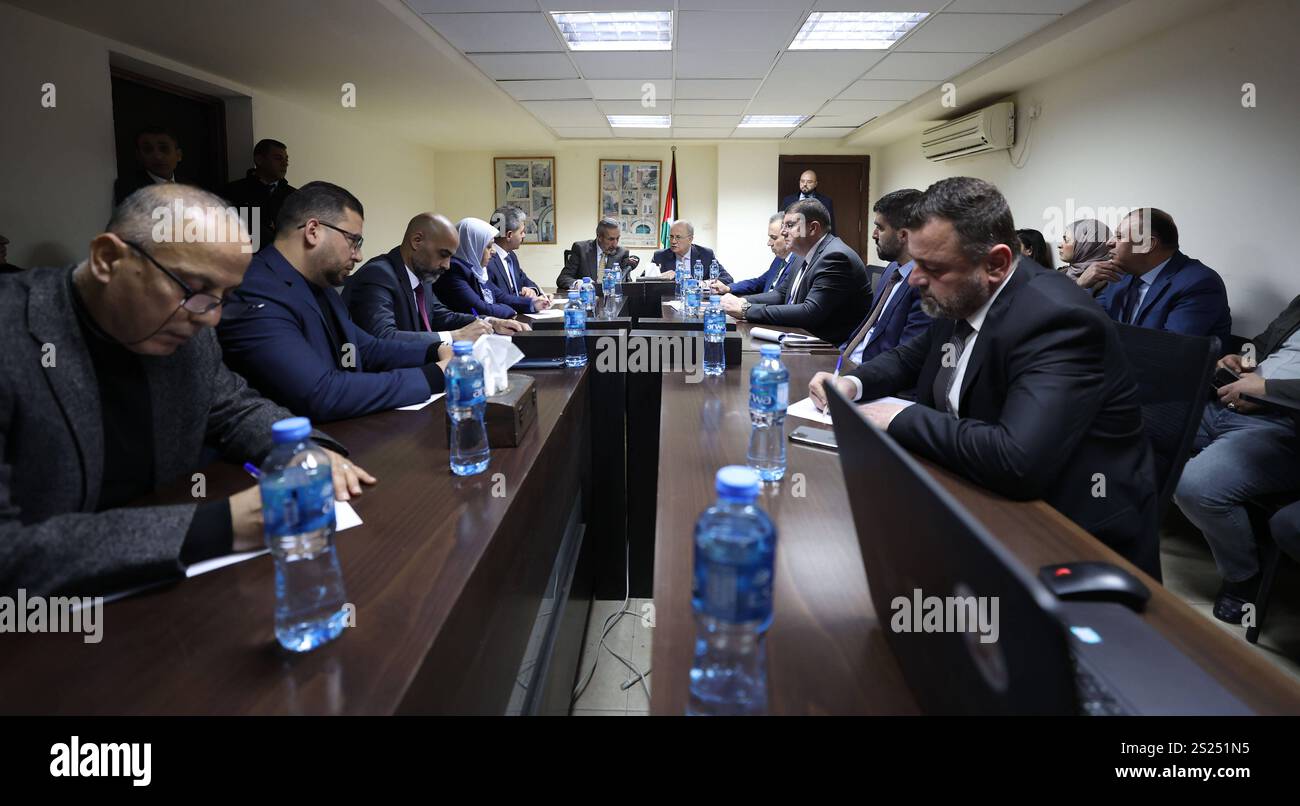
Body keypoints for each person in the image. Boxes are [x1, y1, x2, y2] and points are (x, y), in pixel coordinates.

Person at [0, 184, 373, 598]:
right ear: (108, 259)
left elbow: (234, 407)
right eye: (195, 289)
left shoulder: (190, 325)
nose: (211, 318)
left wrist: (304, 449)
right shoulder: (12, 332)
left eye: (225, 298)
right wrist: (223, 524)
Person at [809, 177, 1160, 577]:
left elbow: (1016, 459)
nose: (914, 278)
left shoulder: (1059, 320)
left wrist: (893, 417)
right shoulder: (965, 287)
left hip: (1066, 540)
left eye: (931, 267)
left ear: (995, 264)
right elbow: (911, 357)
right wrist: (853, 385)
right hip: (972, 494)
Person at [218, 181, 451, 423]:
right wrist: (433, 376)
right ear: (313, 231)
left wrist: (433, 351)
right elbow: (320, 392)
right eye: (354, 241)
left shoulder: (322, 285)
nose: (359, 255)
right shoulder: (254, 289)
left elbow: (365, 348)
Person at [1174, 293, 1300, 622]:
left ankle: (1243, 575)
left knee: (1195, 487)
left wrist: (1268, 391)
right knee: (1136, 424)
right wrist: (1238, 359)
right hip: (1231, 400)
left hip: (1284, 426)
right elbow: (1261, 344)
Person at [343, 213, 526, 345]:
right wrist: (454, 336)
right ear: (417, 241)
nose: (447, 265)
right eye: (443, 254)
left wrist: (490, 322)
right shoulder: (378, 276)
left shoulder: (423, 274)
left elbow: (441, 316)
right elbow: (383, 337)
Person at [719, 198, 870, 346]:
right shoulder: (800, 255)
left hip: (828, 348)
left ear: (813, 228)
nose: (783, 232)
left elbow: (809, 312)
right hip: (800, 336)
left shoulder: (835, 257)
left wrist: (746, 310)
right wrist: (743, 301)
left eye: (790, 225)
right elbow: (781, 294)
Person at [1085, 208, 1232, 341]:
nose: (1109, 242)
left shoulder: (1200, 283)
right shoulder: (1122, 273)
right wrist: (1081, 285)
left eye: (1118, 236)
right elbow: (1089, 323)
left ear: (1147, 245)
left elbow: (1169, 350)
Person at [837, 189, 930, 371]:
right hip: (847, 363)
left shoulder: (926, 286)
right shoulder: (892, 270)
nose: (874, 234)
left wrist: (854, 380)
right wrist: (836, 359)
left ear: (903, 235)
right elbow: (866, 329)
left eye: (880, 228)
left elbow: (906, 359)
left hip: (873, 377)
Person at [432, 218, 551, 318]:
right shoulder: (453, 270)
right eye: (488, 246)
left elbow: (500, 296)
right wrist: (511, 310)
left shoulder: (478, 269)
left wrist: (533, 303)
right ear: (473, 246)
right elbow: (479, 309)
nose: (493, 251)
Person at [221, 138, 296, 250]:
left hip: (283, 261)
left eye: (286, 159)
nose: (285, 164)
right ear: (259, 160)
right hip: (245, 260)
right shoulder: (232, 192)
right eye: (278, 158)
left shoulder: (294, 196)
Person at [710, 213, 797, 297]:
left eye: (773, 238)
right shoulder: (779, 260)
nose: (769, 243)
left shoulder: (797, 264)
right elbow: (758, 283)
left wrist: (744, 303)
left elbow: (779, 298)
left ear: (788, 236)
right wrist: (728, 288)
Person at [113, 126, 185, 204]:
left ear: (178, 155)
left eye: (164, 148)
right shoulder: (128, 189)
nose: (157, 156)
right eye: (148, 149)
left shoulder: (189, 186)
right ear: (139, 156)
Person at [487, 206, 545, 299]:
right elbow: (499, 298)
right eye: (521, 232)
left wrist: (532, 290)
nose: (524, 235)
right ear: (509, 235)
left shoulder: (511, 256)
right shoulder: (488, 260)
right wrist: (530, 304)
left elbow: (524, 279)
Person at [557, 218, 630, 291]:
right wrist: (579, 284)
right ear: (599, 237)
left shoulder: (622, 253)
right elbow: (563, 278)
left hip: (610, 299)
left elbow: (626, 283)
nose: (615, 244)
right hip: (586, 298)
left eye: (617, 238)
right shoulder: (580, 249)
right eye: (611, 239)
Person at [649, 221, 733, 284]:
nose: (673, 241)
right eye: (671, 237)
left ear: (690, 239)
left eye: (678, 237)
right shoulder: (660, 256)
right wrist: (660, 277)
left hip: (697, 301)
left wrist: (702, 284)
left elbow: (727, 279)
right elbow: (642, 282)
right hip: (668, 301)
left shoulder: (706, 254)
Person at [1056, 218, 1112, 292]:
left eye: (1066, 240)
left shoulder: (1105, 283)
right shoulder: (1060, 273)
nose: (1059, 245)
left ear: (1088, 246)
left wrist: (1079, 285)